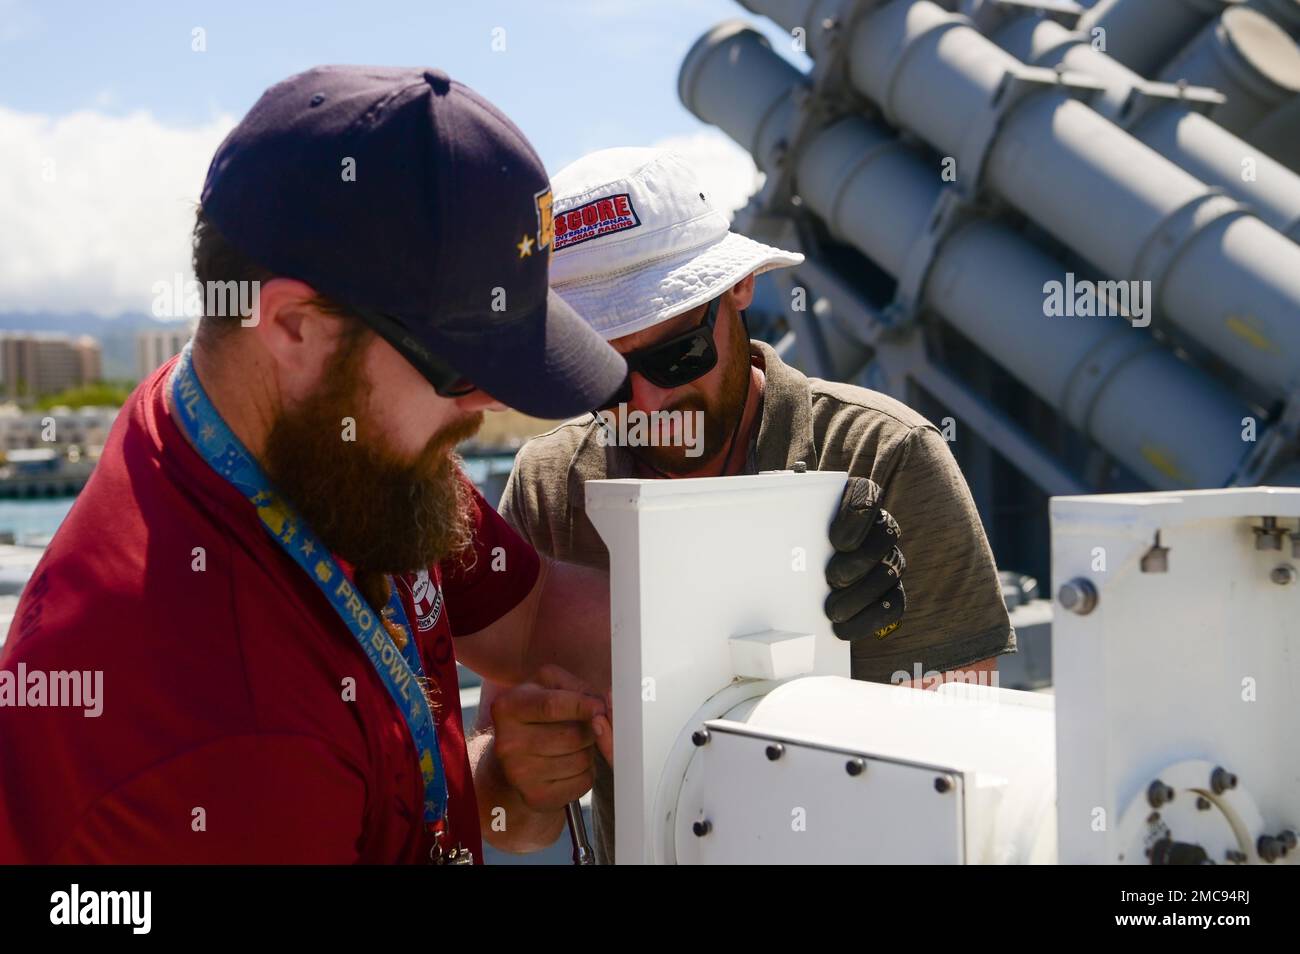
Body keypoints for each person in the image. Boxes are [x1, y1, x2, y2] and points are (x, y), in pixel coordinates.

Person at [0, 65, 627, 864]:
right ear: (294, 325)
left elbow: (531, 617)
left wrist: (496, 784)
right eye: (460, 367)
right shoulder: (215, 735)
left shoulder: (320, 444)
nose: (486, 406)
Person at [492, 147, 1017, 863]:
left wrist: (870, 666)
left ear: (739, 289)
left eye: (676, 356)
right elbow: (516, 828)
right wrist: (521, 779)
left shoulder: (886, 457)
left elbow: (970, 782)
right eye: (603, 376)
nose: (646, 405)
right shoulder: (550, 487)